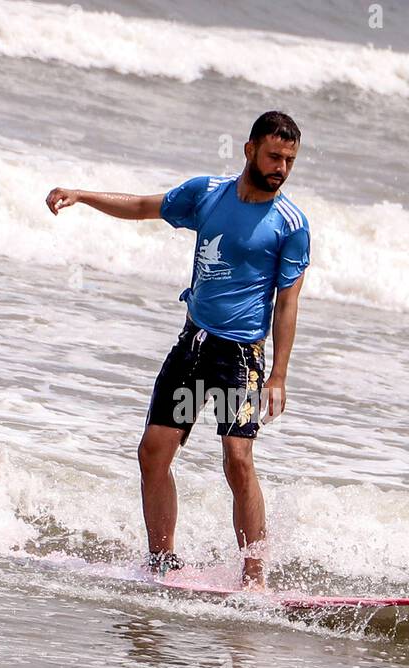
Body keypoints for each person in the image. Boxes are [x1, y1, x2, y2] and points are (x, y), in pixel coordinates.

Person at [45, 111, 310, 589]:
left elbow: (287, 304)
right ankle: (162, 563)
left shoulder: (290, 224)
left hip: (241, 360)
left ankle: (255, 580)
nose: (281, 168)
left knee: (238, 458)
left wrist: (279, 377)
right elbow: (145, 205)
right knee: (153, 452)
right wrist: (83, 195)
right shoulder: (206, 193)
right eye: (274, 156)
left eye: (290, 160)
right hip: (193, 347)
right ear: (249, 150)